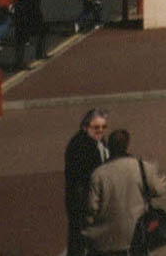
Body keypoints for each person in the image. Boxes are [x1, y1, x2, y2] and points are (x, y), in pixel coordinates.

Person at [83, 127, 166, 256]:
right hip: (137, 235)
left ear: (109, 148)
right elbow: (158, 190)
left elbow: (92, 207)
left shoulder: (99, 174)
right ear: (127, 147)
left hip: (107, 240)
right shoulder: (142, 167)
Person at [63, 109, 111, 256]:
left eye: (103, 127)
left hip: (91, 199)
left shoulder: (99, 142)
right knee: (80, 239)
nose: (100, 130)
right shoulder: (80, 146)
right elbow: (84, 176)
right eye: (96, 127)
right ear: (85, 127)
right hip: (82, 200)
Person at [13, 0, 49, 69]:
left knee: (21, 41)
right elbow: (35, 7)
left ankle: (20, 61)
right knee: (39, 35)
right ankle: (39, 54)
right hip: (32, 18)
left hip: (21, 18)